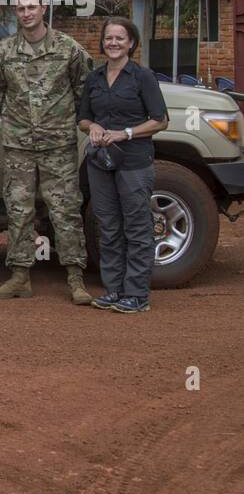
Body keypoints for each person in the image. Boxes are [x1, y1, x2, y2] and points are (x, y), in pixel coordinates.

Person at [0, 0, 93, 304]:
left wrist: (57, 119)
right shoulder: (3, 52)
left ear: (43, 9)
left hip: (57, 145)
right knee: (18, 210)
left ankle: (75, 278)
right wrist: (18, 118)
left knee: (65, 210)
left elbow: (84, 88)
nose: (27, 13)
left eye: (32, 7)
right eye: (21, 8)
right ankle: (20, 276)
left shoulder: (68, 49)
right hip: (18, 145)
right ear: (15, 13)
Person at [77, 16, 168, 313]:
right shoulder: (95, 77)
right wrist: (92, 128)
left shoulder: (142, 77)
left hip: (134, 161)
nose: (113, 43)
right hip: (101, 161)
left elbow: (160, 120)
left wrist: (126, 133)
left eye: (119, 38)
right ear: (102, 43)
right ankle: (113, 289)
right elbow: (83, 117)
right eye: (108, 38)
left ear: (131, 42)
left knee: (137, 226)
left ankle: (137, 294)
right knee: (108, 225)